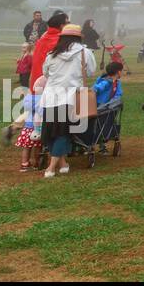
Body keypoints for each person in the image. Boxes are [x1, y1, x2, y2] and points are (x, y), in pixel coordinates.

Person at [40, 23, 97, 178]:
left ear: (62, 37)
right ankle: (52, 168)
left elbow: (45, 73)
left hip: (50, 97)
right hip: (71, 98)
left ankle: (62, 163)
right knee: (63, 133)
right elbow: (91, 72)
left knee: (51, 132)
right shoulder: (85, 52)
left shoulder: (52, 53)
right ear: (78, 37)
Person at [30, 11, 67, 93]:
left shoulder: (43, 38)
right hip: (50, 81)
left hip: (37, 80)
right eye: (67, 23)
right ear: (61, 25)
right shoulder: (60, 41)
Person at [15, 75, 44, 171]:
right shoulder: (43, 99)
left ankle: (24, 164)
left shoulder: (29, 98)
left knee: (26, 147)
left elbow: (27, 107)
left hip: (27, 127)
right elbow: (41, 112)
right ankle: (36, 163)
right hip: (37, 128)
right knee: (38, 146)